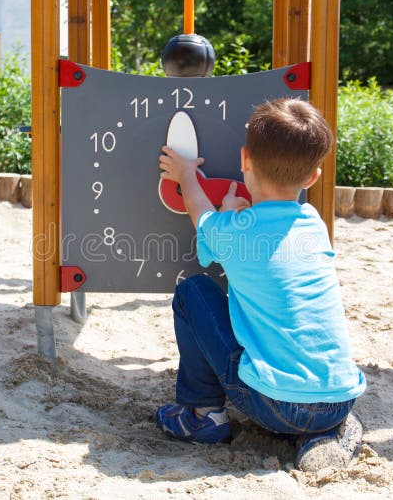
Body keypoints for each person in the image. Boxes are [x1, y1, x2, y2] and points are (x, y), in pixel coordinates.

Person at [156, 98, 366, 472]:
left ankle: (203, 413)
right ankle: (327, 432)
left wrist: (186, 174)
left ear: (245, 160)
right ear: (313, 177)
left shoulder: (235, 231)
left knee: (193, 292)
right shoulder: (313, 224)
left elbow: (200, 217)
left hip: (274, 405)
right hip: (339, 398)